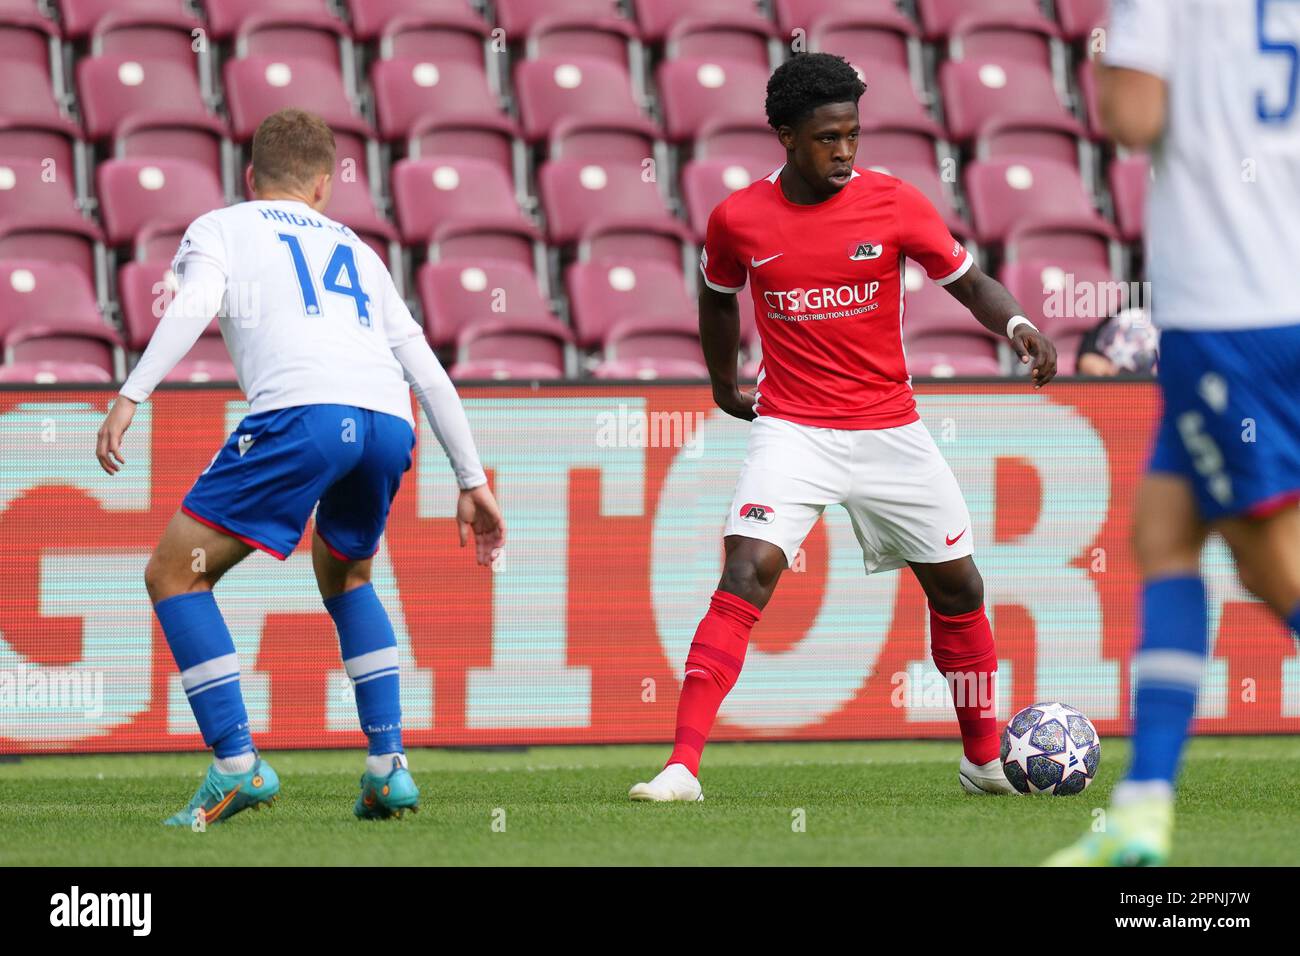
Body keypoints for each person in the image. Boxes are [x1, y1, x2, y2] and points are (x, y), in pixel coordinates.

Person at [629, 53, 1058, 803]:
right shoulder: (739, 219)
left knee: (959, 587)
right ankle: (681, 767)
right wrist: (722, 379)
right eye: (828, 137)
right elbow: (717, 296)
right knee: (746, 571)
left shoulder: (895, 204)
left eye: (853, 135)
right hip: (793, 429)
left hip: (891, 428)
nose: (845, 151)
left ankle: (983, 762)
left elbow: (969, 282)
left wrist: (1018, 324)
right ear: (787, 136)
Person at [95, 108, 505, 826]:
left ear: (251, 176)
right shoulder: (358, 248)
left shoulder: (223, 225)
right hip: (386, 422)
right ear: (324, 185)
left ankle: (236, 767)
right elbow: (430, 374)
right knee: (347, 572)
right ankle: (388, 768)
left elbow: (196, 301)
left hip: (303, 417)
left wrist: (132, 393)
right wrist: (472, 480)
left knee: (174, 573)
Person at [1048, 0, 1300, 865]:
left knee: (1275, 567)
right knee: (1163, 534)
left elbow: (1133, 117)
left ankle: (1144, 811)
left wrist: (1102, 51)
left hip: (1226, 308)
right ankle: (1142, 810)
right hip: (1279, 292)